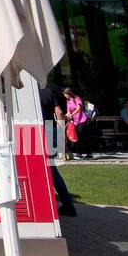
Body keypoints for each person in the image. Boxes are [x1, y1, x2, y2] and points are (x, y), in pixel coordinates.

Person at [37, 83, 77, 217]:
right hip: (51, 127)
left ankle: (64, 205)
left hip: (37, 128)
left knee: (47, 171)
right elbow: (59, 113)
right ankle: (67, 204)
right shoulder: (48, 92)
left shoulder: (29, 92)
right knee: (51, 169)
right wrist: (60, 132)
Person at [62, 87, 89, 160]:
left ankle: (87, 152)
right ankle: (79, 153)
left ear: (69, 93)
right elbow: (68, 111)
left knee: (81, 135)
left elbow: (78, 109)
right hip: (75, 121)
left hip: (82, 120)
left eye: (65, 94)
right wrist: (65, 116)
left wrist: (71, 115)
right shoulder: (68, 100)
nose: (64, 96)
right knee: (76, 136)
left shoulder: (77, 98)